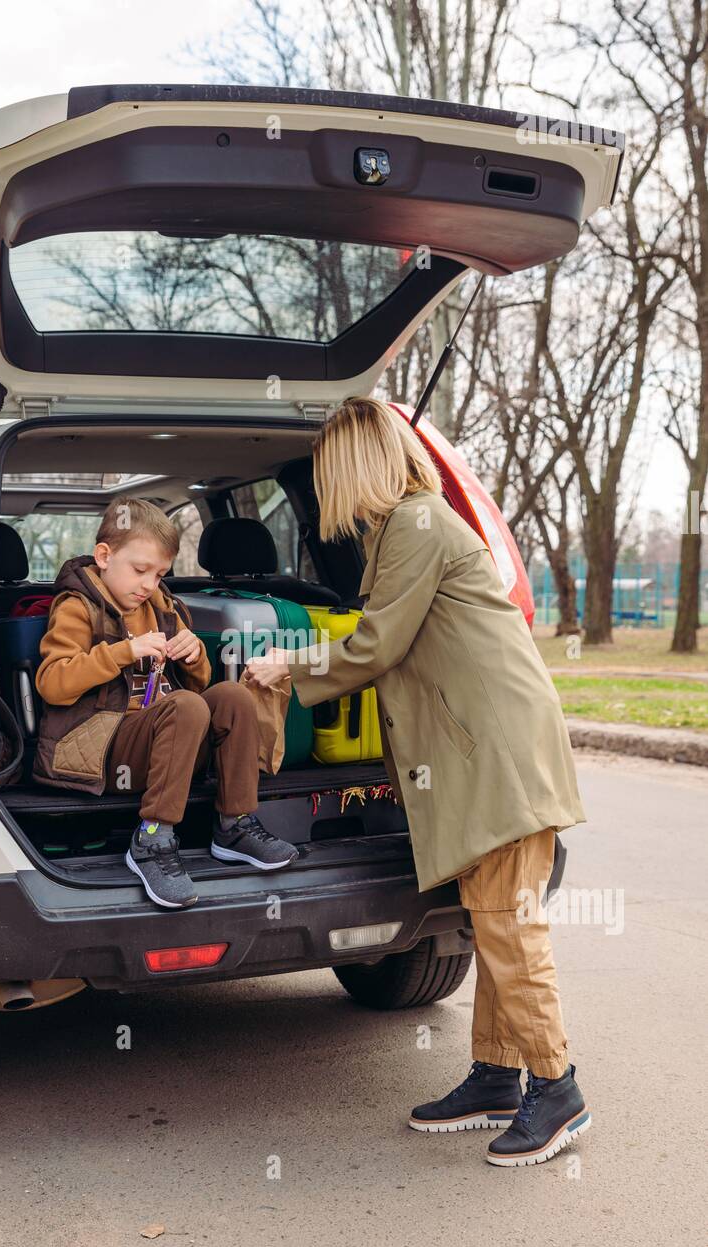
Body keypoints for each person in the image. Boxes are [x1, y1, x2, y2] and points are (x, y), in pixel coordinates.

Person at [246, 397, 591, 1168]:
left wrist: (284, 666)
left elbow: (375, 645)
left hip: (496, 754)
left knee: (508, 921)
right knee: (492, 917)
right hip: (484, 753)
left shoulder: (417, 524)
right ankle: (500, 1075)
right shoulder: (407, 526)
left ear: (354, 465)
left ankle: (557, 1088)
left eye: (328, 473)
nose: (327, 489)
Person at [32, 496, 299, 909]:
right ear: (104, 556)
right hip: (105, 746)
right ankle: (153, 839)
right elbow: (53, 684)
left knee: (231, 695)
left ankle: (234, 824)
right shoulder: (77, 607)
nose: (148, 584)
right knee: (188, 707)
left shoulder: (165, 607)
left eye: (159, 574)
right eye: (140, 570)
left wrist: (194, 657)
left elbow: (199, 683)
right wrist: (124, 650)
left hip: (170, 742)